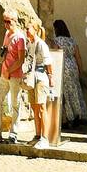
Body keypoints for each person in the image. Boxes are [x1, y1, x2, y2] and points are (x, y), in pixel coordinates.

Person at [0, 10, 27, 143]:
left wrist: (9, 70)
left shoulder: (20, 37)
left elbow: (21, 59)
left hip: (14, 75)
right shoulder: (7, 34)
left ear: (15, 21)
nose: (6, 24)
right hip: (5, 74)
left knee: (15, 104)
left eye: (8, 21)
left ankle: (13, 134)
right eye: (4, 21)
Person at [23, 18, 55, 149]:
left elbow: (48, 62)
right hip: (32, 77)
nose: (26, 30)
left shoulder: (41, 44)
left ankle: (45, 138)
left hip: (41, 77)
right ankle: (37, 135)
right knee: (35, 107)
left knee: (42, 107)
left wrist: (51, 77)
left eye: (28, 28)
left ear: (35, 30)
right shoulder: (29, 44)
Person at [51, 18, 87, 126]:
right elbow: (78, 57)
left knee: (65, 93)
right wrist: (80, 70)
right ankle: (78, 115)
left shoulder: (57, 41)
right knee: (75, 91)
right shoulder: (72, 40)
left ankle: (67, 118)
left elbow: (55, 55)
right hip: (73, 67)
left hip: (63, 67)